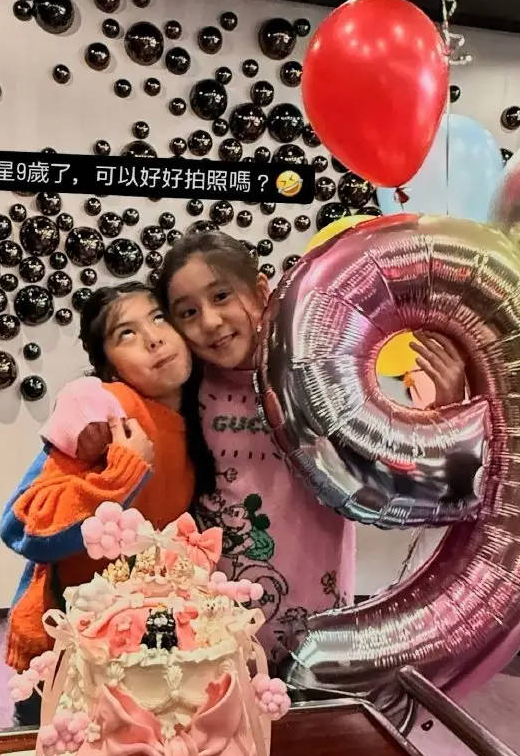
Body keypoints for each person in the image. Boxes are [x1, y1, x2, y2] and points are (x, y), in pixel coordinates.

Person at [157, 230, 467, 664]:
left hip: (315, 633)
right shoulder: (180, 394)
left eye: (221, 296)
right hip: (211, 635)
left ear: (262, 290)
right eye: (188, 312)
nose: (209, 321)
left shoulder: (322, 376)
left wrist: (445, 410)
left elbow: (407, 482)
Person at [0, 281, 214, 723]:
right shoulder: (111, 410)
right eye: (126, 333)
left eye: (159, 318)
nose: (153, 338)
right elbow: (21, 524)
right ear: (109, 366)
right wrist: (120, 474)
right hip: (64, 657)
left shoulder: (194, 423)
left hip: (136, 656)